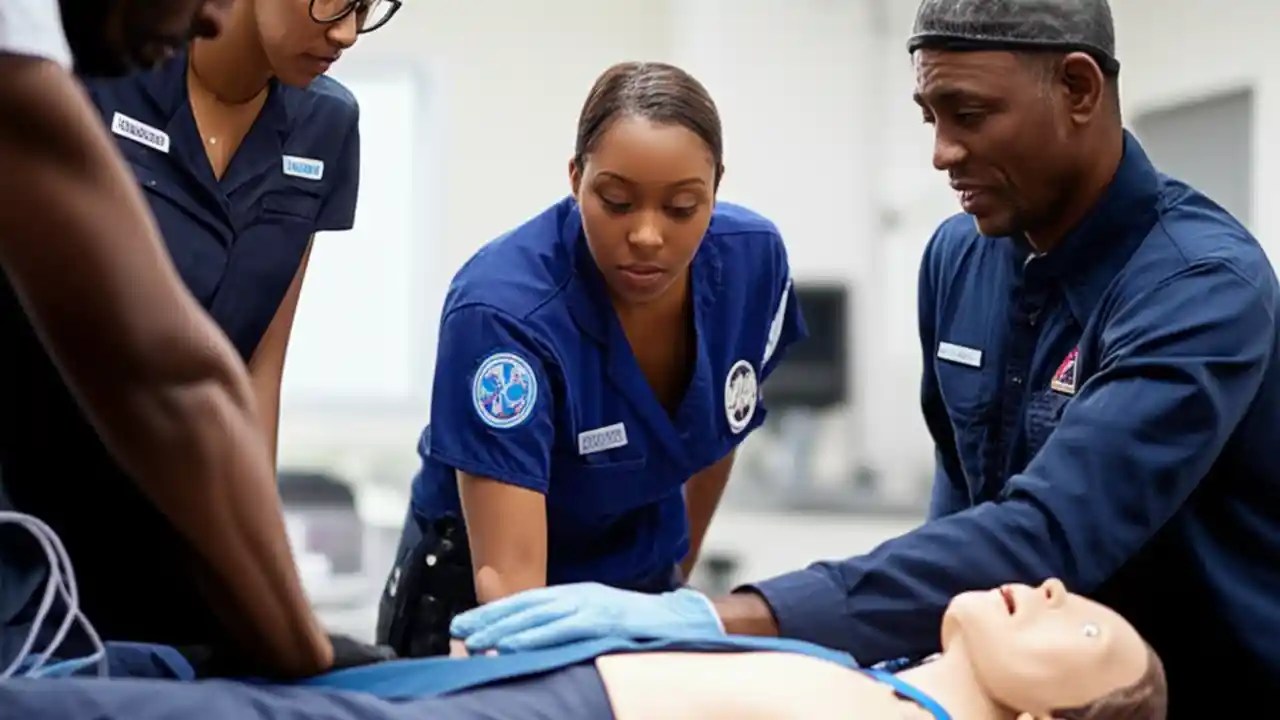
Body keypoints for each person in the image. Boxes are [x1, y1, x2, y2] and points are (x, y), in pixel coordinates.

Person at [450, 0, 1280, 713]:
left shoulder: (1202, 286)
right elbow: (962, 525)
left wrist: (721, 616)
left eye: (970, 115)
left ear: (1077, 88)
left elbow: (1049, 532)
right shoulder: (959, 259)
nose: (941, 153)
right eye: (931, 118)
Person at [0, 0, 389, 678]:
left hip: (180, 514)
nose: (347, 31)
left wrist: (254, 581)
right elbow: (165, 375)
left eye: (369, 6)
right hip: (39, 500)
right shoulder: (81, 66)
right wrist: (300, 646)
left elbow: (252, 376)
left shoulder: (326, 124)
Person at [376, 60, 807, 657]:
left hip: (640, 584)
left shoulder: (750, 262)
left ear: (716, 187)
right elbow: (508, 584)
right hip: (483, 607)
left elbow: (718, 429)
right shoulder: (503, 313)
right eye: (616, 202)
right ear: (576, 177)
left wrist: (672, 591)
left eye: (683, 208)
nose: (648, 236)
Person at [0, 579, 1168, 719]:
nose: (1057, 589)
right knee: (216, 662)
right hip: (501, 684)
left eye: (1086, 627)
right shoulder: (873, 685)